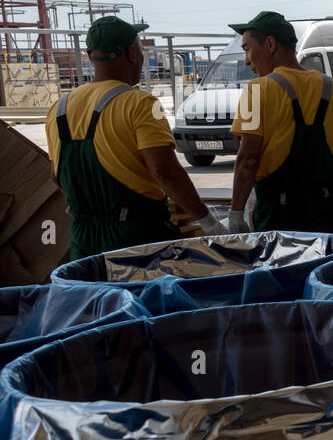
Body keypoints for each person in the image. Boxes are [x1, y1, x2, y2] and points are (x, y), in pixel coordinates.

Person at [46, 16, 224, 260]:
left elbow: (56, 176)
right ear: (132, 53)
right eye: (140, 49)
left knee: (93, 297)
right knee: (143, 298)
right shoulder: (141, 103)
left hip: (83, 238)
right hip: (137, 240)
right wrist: (208, 221)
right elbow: (164, 172)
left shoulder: (58, 108)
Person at [226, 11, 333, 233]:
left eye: (247, 48)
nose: (246, 60)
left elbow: (248, 159)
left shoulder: (257, 90)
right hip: (328, 212)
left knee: (283, 268)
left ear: (270, 44)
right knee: (326, 265)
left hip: (280, 217)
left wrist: (235, 215)